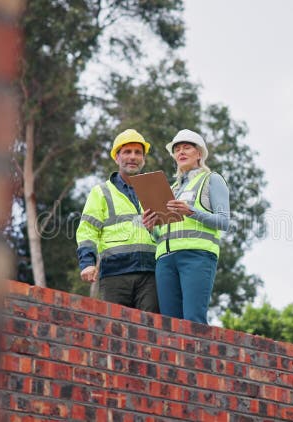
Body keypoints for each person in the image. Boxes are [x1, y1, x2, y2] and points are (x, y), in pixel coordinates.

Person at [143, 129, 230, 324]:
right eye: (177, 149)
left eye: (187, 147)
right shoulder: (171, 189)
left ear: (199, 153)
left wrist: (191, 212)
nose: (181, 152)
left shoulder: (212, 180)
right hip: (165, 261)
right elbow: (160, 234)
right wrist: (151, 227)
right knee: (169, 325)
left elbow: (224, 222)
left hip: (197, 257)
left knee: (193, 322)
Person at [76, 129, 159, 312]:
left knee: (150, 333)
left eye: (138, 152)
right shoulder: (101, 192)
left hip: (150, 275)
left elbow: (168, 231)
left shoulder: (154, 190)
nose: (133, 157)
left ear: (144, 159)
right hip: (115, 274)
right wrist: (87, 263)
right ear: (116, 157)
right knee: (116, 333)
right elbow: (88, 230)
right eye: (127, 152)